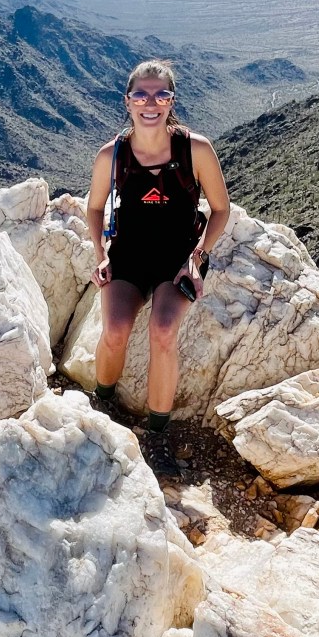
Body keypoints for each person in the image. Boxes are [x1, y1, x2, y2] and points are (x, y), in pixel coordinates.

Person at [86, 59, 231, 443]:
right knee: (115, 331)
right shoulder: (112, 155)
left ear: (171, 101)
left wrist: (197, 258)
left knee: (163, 331)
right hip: (128, 255)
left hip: (177, 258)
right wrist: (101, 253)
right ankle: (101, 402)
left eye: (160, 94)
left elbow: (220, 208)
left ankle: (156, 434)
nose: (151, 102)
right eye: (141, 94)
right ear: (128, 101)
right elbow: (95, 207)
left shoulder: (194, 149)